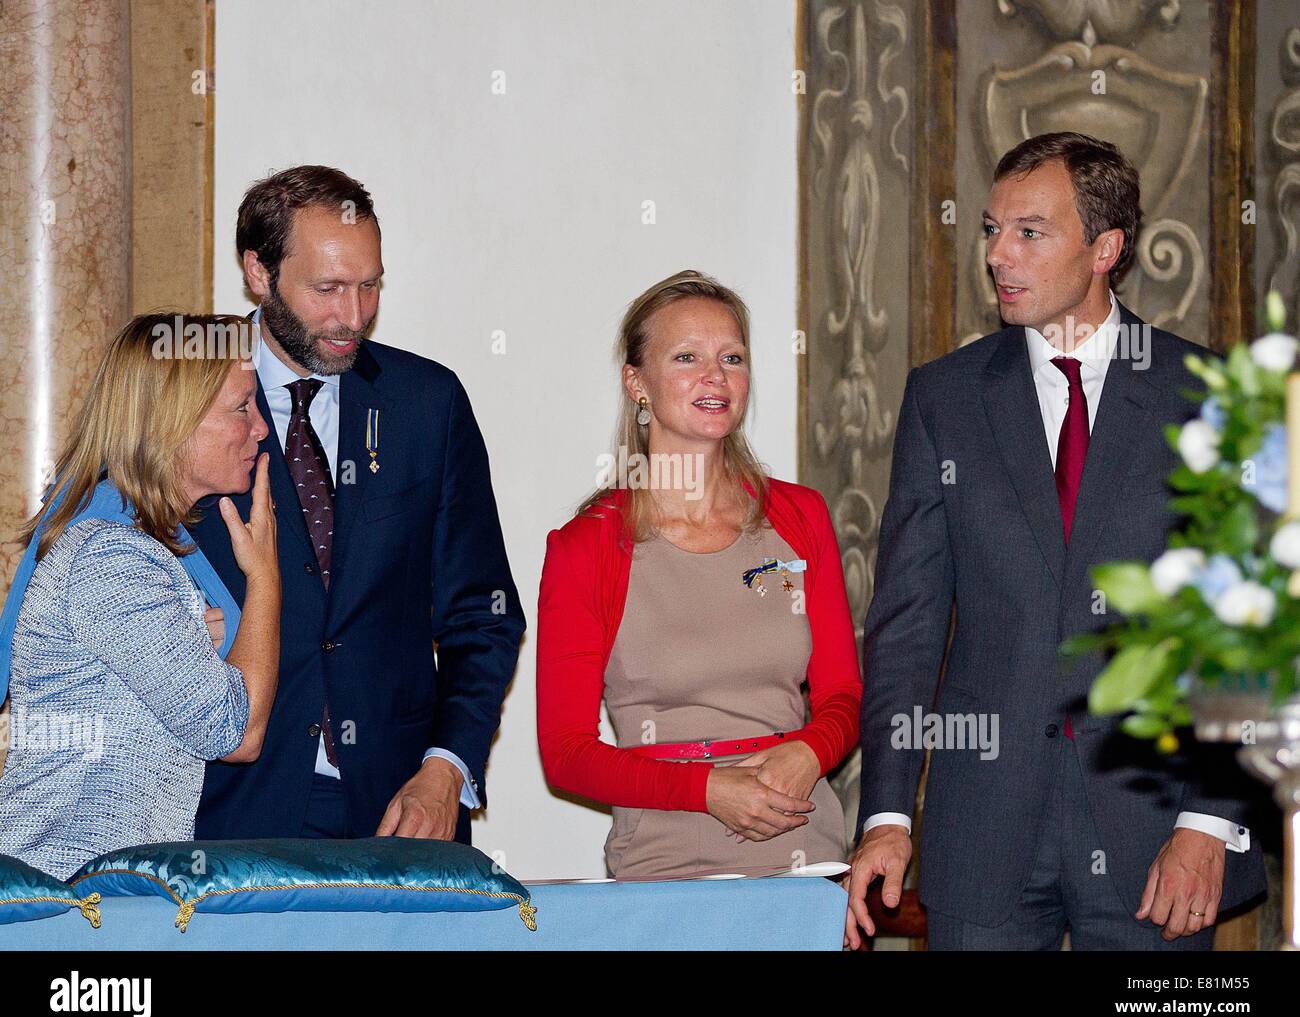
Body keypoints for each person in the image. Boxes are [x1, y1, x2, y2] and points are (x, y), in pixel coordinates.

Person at [844, 132, 1267, 950]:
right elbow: (907, 625)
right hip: (983, 836)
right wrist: (888, 814)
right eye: (991, 229)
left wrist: (1209, 819)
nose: (999, 254)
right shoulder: (944, 398)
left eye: (1029, 232)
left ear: (1104, 248)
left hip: (1158, 839)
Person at [190, 165, 525, 843]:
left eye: (370, 284)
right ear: (258, 271)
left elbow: (484, 616)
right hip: (227, 811)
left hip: (400, 812)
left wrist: (447, 769)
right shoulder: (182, 396)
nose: (353, 314)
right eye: (327, 288)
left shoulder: (426, 404)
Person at [537, 270, 861, 878]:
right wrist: (707, 790)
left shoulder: (802, 515)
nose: (716, 376)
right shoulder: (587, 546)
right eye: (687, 357)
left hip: (802, 849)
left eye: (732, 358)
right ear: (637, 382)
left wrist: (810, 752)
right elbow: (566, 755)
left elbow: (843, 694)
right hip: (667, 860)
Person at [0, 313, 279, 880]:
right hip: (68, 901)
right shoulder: (114, 557)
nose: (260, 429)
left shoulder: (139, 550)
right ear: (174, 422)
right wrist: (265, 579)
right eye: (240, 408)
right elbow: (234, 732)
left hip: (98, 897)